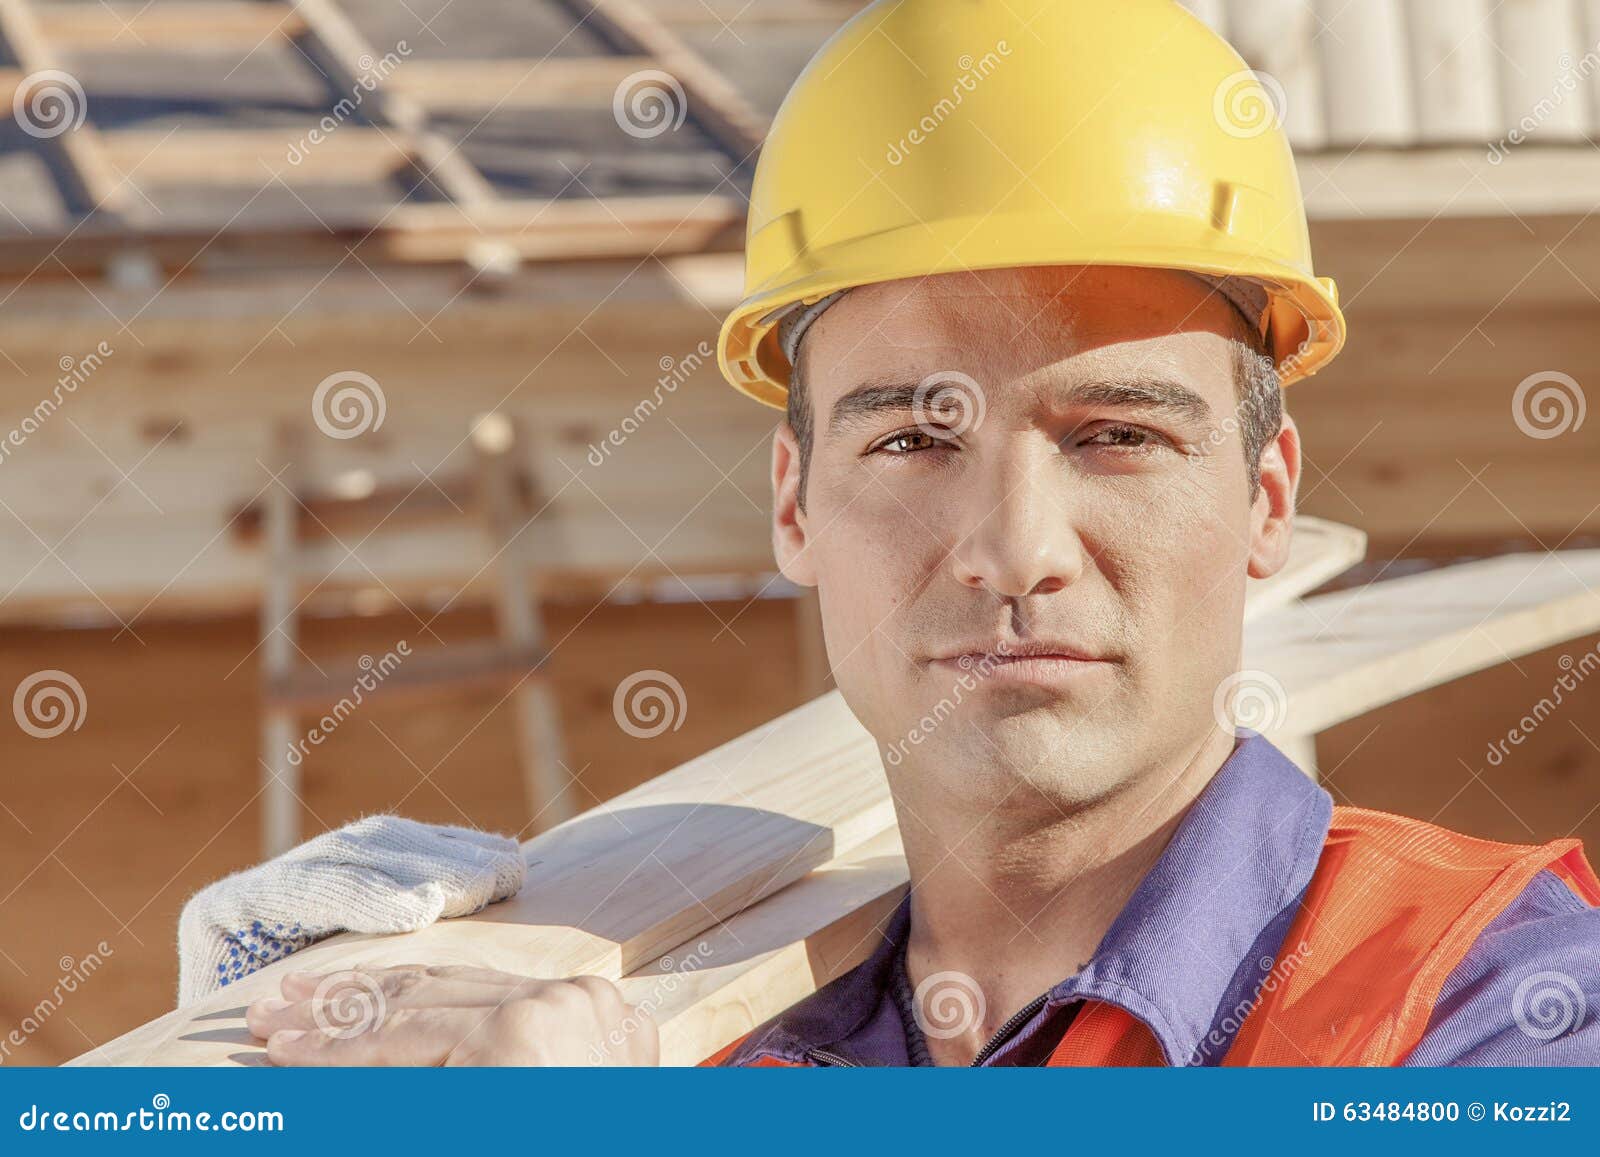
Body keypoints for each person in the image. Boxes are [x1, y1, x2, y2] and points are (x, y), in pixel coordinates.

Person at [231, 0, 1600, 1065]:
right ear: (793, 504)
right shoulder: (702, 1046)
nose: (1013, 550)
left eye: (1116, 435)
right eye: (909, 440)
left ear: (1267, 498)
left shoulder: (1501, 1002)